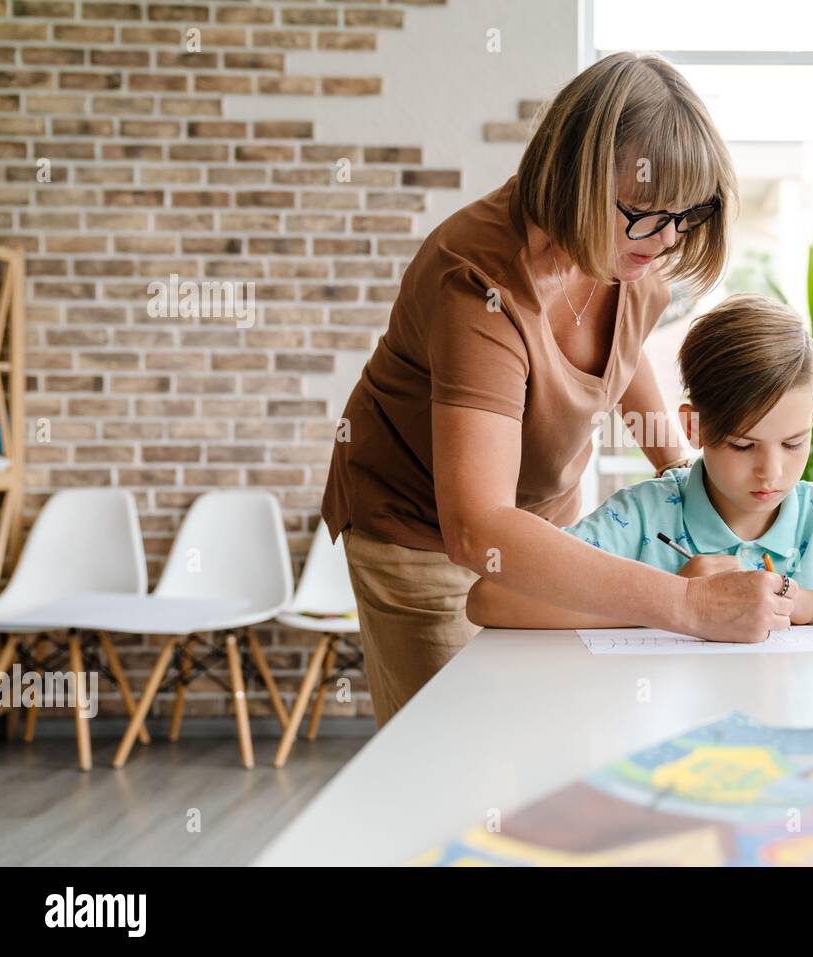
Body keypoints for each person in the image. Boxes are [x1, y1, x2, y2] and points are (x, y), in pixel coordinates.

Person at [320, 53, 788, 727]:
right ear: (578, 180)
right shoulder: (476, 282)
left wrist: (683, 474)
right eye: (648, 214)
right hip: (419, 531)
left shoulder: (639, 249)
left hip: (544, 519)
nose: (667, 239)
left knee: (550, 730)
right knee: (456, 752)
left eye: (685, 216)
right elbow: (477, 526)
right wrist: (688, 606)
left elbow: (621, 359)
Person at [466, 294, 813, 629]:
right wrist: (675, 598)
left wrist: (812, 604)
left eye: (793, 443)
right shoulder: (645, 519)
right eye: (744, 446)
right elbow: (492, 599)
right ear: (694, 427)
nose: (771, 472)